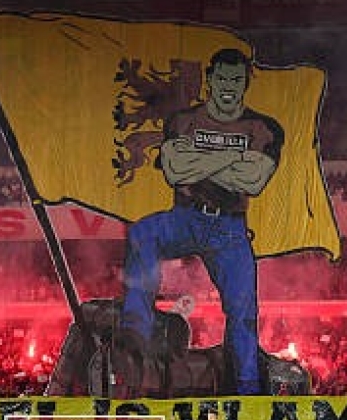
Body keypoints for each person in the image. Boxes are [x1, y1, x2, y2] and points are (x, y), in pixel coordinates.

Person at [117, 47, 284, 396]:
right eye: (222, 78)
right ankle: (136, 334)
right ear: (210, 79)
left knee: (243, 311)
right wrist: (235, 159)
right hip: (186, 217)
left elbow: (253, 180)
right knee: (142, 233)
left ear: (245, 83)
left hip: (229, 228)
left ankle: (246, 389)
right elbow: (176, 171)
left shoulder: (263, 126)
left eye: (236, 80)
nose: (228, 86)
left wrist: (201, 160)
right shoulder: (183, 120)